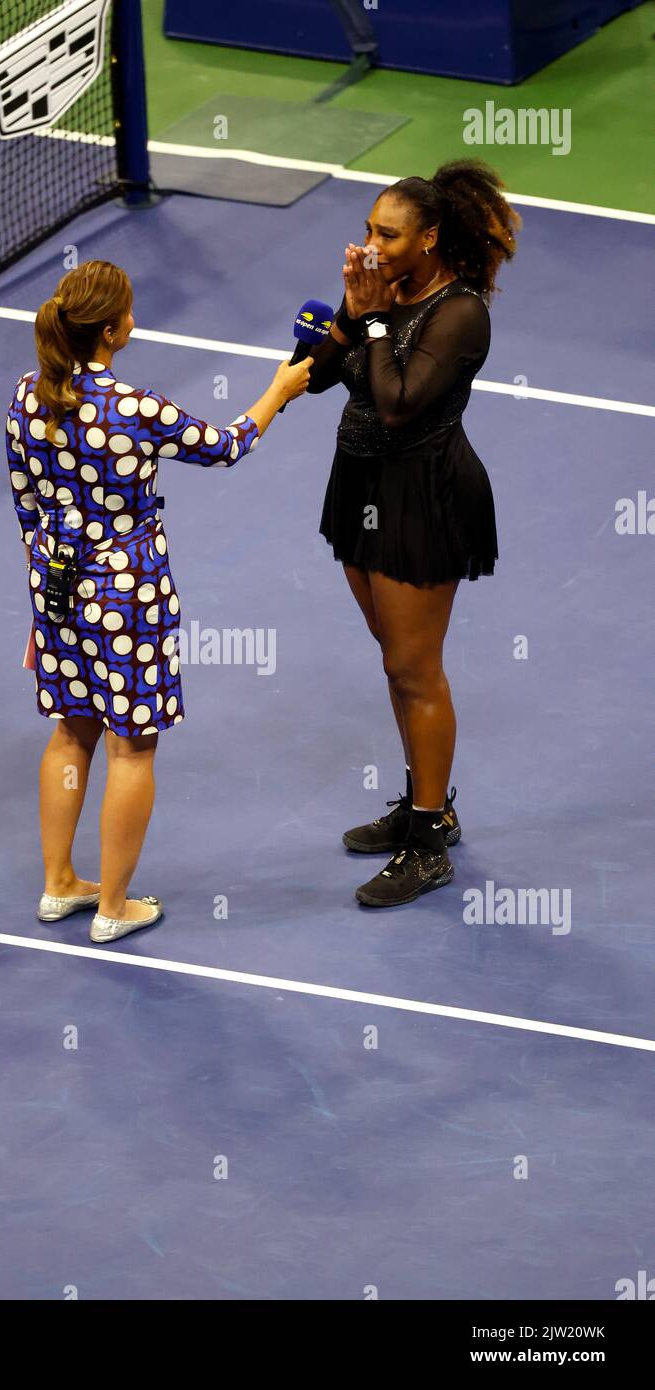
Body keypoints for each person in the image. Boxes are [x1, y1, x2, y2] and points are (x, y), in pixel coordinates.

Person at [6, 260, 311, 942]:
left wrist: (45, 604)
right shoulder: (135, 409)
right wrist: (280, 389)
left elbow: (28, 508)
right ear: (114, 330)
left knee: (69, 730)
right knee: (132, 749)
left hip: (54, 585)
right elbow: (227, 445)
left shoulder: (27, 396)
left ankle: (59, 885)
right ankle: (113, 906)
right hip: (129, 594)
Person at [307, 159, 521, 908]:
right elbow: (322, 373)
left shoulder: (460, 314)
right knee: (396, 663)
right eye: (369, 229)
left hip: (422, 498)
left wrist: (366, 317)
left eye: (388, 234)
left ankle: (428, 841)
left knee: (415, 667)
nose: (372, 243)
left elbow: (397, 402)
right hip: (360, 486)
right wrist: (338, 321)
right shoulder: (380, 287)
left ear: (429, 239)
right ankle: (426, 805)